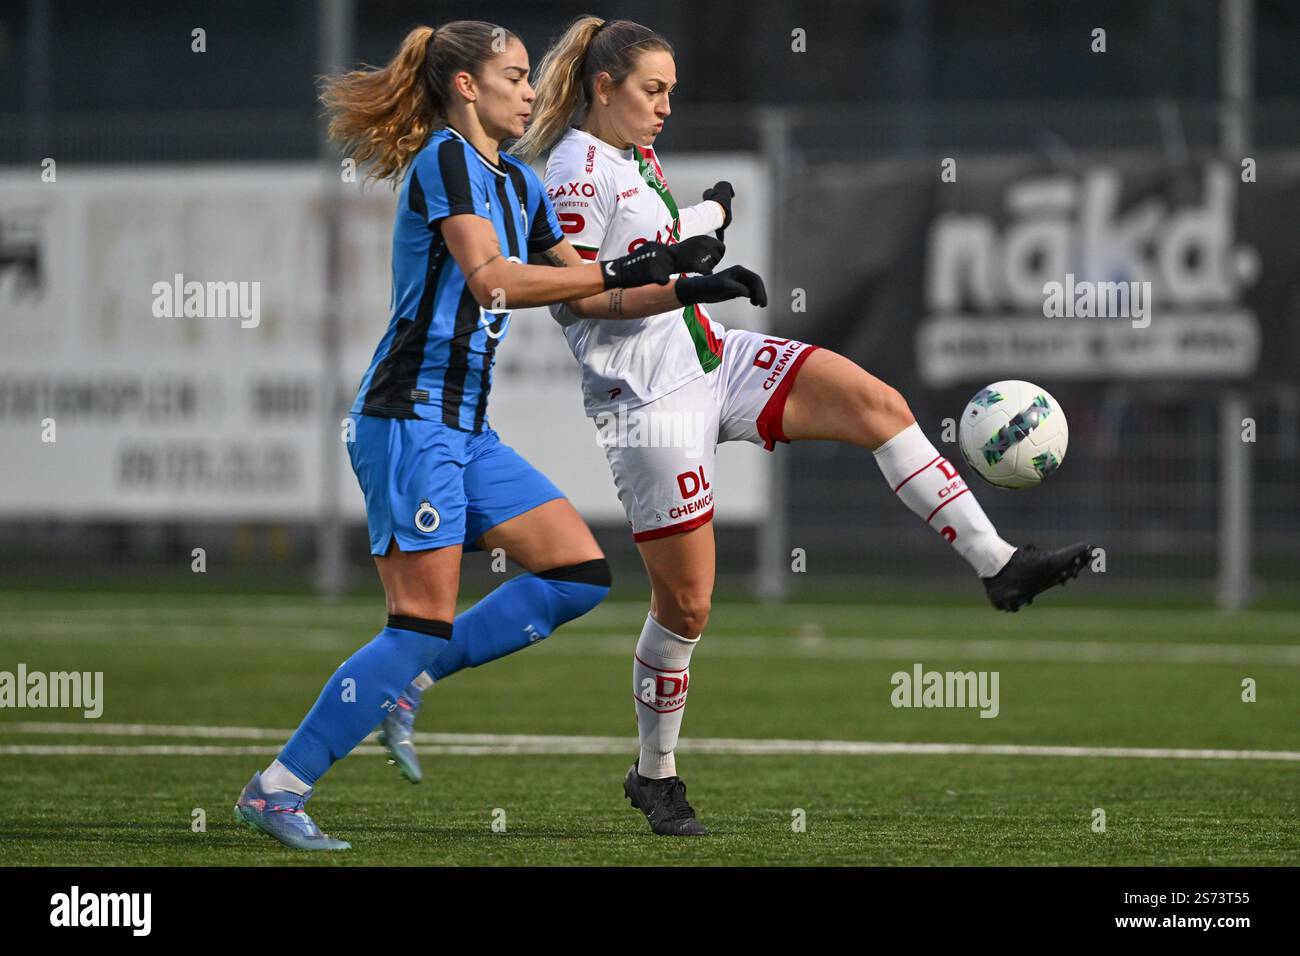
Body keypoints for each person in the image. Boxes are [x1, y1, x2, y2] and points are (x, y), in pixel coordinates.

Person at [506, 15, 1093, 837]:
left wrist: (705, 218)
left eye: (672, 92)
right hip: (646, 403)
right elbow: (575, 294)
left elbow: (657, 244)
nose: (666, 106)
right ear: (603, 88)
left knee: (878, 405)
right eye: (653, 91)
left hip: (710, 360)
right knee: (687, 606)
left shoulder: (632, 151)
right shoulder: (574, 170)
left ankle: (1000, 564)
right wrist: (683, 285)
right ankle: (655, 773)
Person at [232, 19, 731, 850]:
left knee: (575, 572)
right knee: (417, 620)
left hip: (465, 429)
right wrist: (617, 267)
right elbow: (493, 281)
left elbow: (581, 295)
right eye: (514, 75)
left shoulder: (523, 182)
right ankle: (277, 789)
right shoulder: (446, 160)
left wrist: (680, 283)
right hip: (408, 420)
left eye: (530, 76)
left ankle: (408, 681)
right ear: (467, 86)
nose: (532, 91)